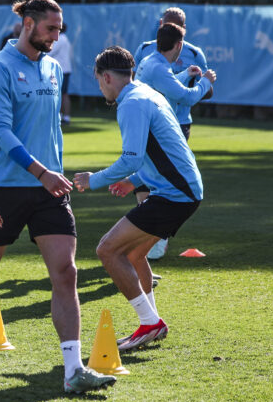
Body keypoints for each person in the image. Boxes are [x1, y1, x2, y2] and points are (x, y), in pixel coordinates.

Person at [0, 0, 116, 394]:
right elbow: (0, 131)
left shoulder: (52, 68)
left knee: (66, 272)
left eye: (60, 29)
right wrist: (41, 172)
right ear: (28, 24)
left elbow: (50, 130)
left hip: (48, 190)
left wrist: (51, 175)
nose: (56, 36)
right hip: (4, 187)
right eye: (51, 28)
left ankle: (73, 370)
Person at [73, 46, 206, 351]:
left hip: (175, 194)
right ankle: (152, 323)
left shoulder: (131, 103)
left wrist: (93, 179)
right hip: (182, 190)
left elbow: (131, 158)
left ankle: (150, 323)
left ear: (106, 77)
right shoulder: (146, 93)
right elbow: (160, 152)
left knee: (107, 249)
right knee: (134, 254)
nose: (100, 87)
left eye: (98, 80)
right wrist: (133, 181)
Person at [134, 22, 215, 260]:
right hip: (153, 132)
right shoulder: (159, 66)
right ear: (179, 44)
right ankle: (153, 242)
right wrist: (206, 81)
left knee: (154, 181)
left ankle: (145, 244)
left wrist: (186, 74)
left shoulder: (151, 60)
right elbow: (186, 97)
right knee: (172, 184)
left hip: (145, 128)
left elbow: (167, 86)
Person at [49, 22, 73, 125]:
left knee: (61, 94)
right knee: (63, 94)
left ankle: (64, 117)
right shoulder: (65, 39)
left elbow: (50, 52)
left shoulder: (60, 39)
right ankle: (64, 116)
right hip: (64, 69)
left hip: (61, 70)